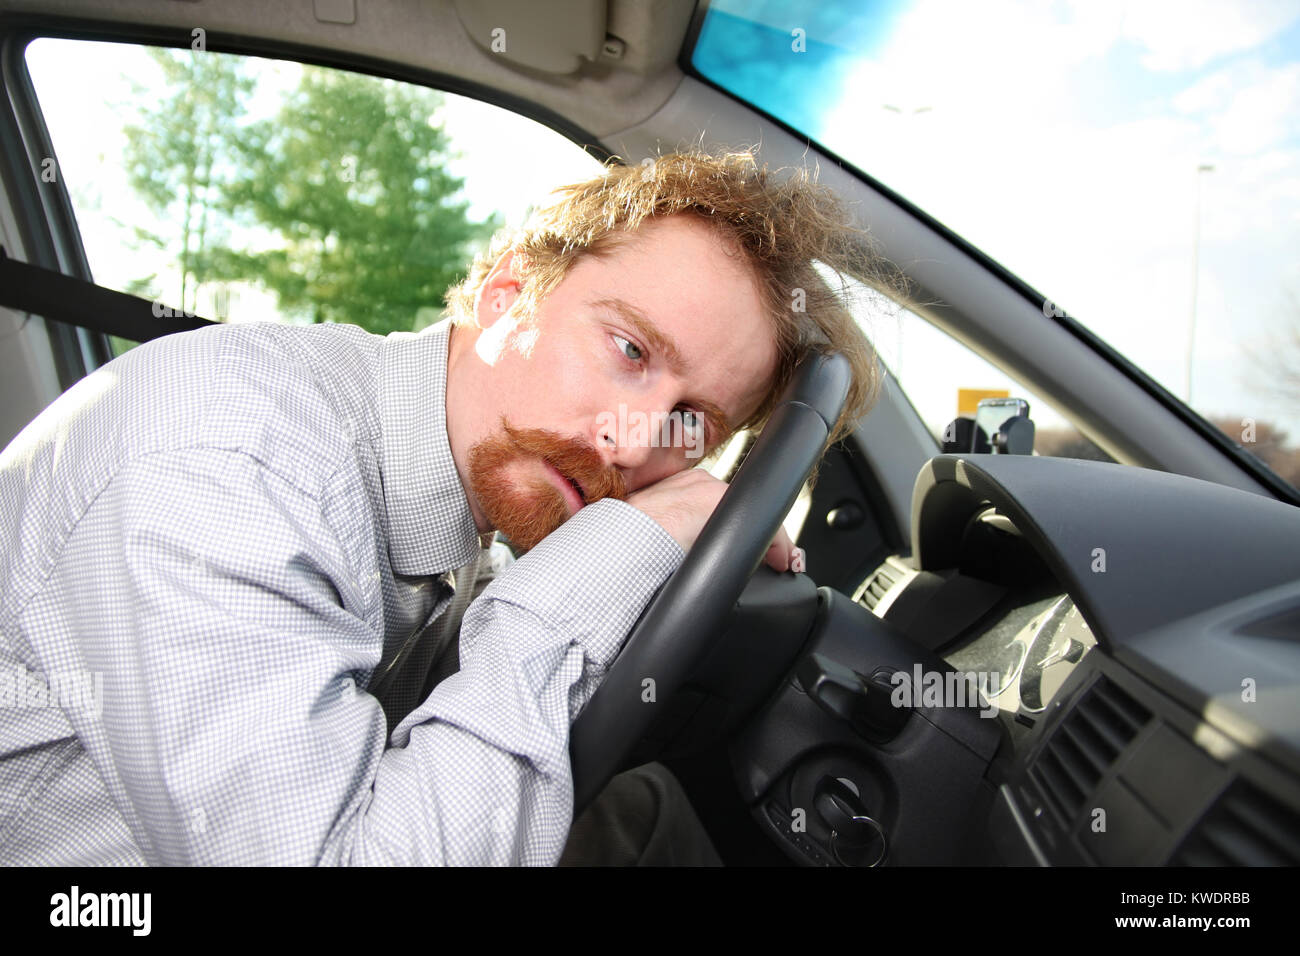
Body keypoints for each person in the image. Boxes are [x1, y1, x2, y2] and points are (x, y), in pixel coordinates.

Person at [0, 149, 880, 865]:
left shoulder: (461, 484)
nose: (633, 441)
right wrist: (617, 554)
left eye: (692, 423)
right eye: (628, 348)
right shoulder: (233, 469)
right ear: (509, 292)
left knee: (640, 807)